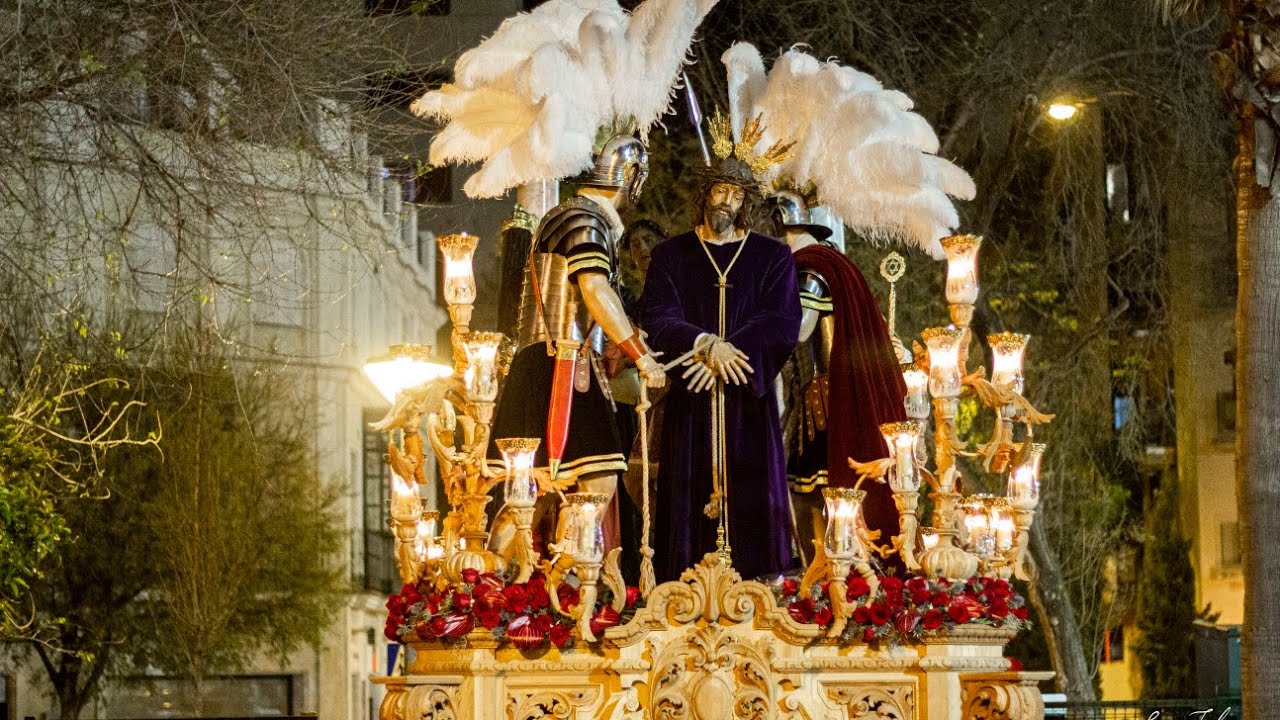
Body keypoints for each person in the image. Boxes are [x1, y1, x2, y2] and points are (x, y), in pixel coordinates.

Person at [487, 135, 668, 554]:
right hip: (564, 363)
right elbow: (593, 288)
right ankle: (565, 577)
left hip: (551, 360)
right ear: (630, 177)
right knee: (595, 480)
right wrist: (640, 356)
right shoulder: (587, 218)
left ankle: (497, 581)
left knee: (531, 491)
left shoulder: (567, 214)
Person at [639, 123, 801, 582]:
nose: (725, 200)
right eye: (718, 190)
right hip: (692, 400)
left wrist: (731, 356)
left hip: (747, 400)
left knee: (753, 501)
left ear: (746, 202)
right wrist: (703, 345)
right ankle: (682, 598)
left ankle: (759, 597)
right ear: (705, 193)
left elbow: (782, 320)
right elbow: (657, 314)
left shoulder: (772, 257)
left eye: (735, 193)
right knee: (688, 501)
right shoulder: (672, 255)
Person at [769, 190, 908, 575]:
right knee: (811, 493)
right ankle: (825, 575)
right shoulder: (835, 262)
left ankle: (830, 577)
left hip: (824, 401)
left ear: (779, 225)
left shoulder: (809, 268)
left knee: (816, 494)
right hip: (825, 397)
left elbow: (798, 331)